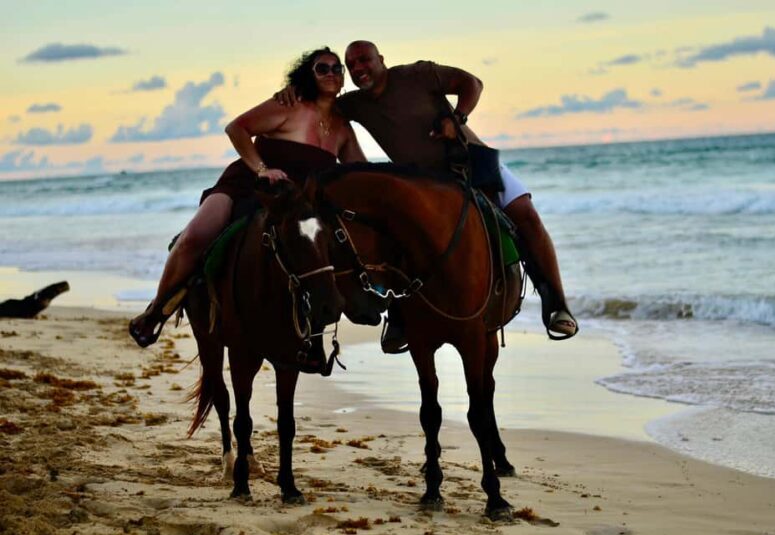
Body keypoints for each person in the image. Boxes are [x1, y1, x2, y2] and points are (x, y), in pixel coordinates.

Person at [275, 40, 577, 351]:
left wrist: (456, 118)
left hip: (471, 161)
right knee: (390, 231)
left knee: (525, 214)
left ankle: (556, 303)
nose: (358, 69)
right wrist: (292, 93)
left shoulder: (417, 74)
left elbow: (471, 83)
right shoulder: (355, 104)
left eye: (364, 60)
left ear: (381, 59)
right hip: (422, 184)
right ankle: (398, 315)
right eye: (351, 66)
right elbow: (319, 101)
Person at [129, 47, 366, 348]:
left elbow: (361, 172)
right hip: (246, 185)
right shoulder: (289, 106)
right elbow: (237, 128)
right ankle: (155, 311)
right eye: (323, 68)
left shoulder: (342, 128)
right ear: (310, 75)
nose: (331, 74)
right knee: (194, 237)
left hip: (297, 206)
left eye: (336, 69)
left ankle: (315, 337)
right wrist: (263, 169)